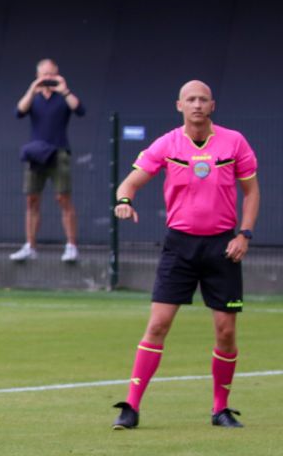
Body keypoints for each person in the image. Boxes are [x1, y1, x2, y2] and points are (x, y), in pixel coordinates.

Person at [110, 80, 259, 430]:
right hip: (179, 247)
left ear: (212, 105)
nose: (197, 105)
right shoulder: (168, 143)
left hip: (222, 247)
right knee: (157, 325)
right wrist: (124, 202)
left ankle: (220, 409)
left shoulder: (234, 142)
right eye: (190, 99)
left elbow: (251, 192)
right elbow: (130, 183)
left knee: (225, 331)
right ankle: (131, 407)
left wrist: (244, 234)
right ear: (179, 105)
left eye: (203, 99)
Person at [11, 58, 85, 263]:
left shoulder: (62, 97)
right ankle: (30, 246)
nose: (48, 78)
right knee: (32, 199)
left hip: (58, 152)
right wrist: (32, 89)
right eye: (44, 74)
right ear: (37, 75)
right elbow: (19, 111)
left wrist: (64, 90)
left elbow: (80, 110)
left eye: (51, 74)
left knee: (63, 198)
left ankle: (71, 246)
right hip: (36, 153)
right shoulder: (34, 97)